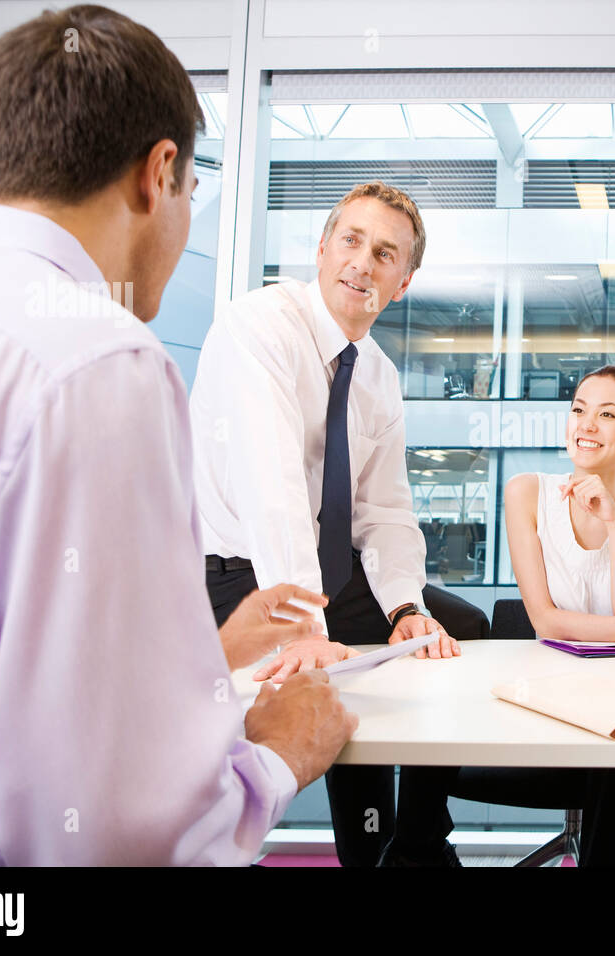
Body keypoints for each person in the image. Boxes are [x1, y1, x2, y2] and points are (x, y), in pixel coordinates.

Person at [0, 5, 357, 865]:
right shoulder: (98, 360)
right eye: (193, 195)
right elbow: (120, 828)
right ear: (158, 174)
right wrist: (280, 757)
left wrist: (199, 659)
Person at [189, 180, 488, 867]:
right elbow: (272, 488)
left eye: (385, 254)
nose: (363, 262)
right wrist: (305, 628)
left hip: (325, 576)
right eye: (351, 241)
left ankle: (411, 847)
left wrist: (406, 607)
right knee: (335, 667)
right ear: (322, 249)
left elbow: (385, 510)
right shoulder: (257, 325)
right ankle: (327, 844)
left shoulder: (377, 375)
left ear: (403, 282)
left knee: (452, 627)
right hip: (243, 578)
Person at [502, 365, 615, 865]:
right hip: (549, 687)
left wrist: (614, 520)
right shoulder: (527, 491)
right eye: (579, 410)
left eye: (607, 414)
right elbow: (545, 620)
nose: (586, 425)